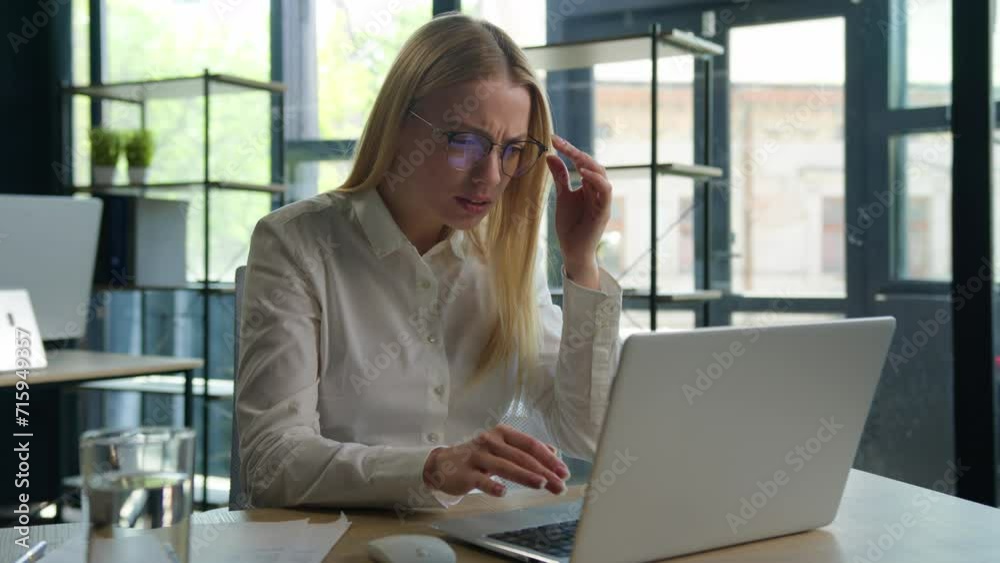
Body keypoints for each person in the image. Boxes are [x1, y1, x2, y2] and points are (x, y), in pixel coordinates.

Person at [236, 12, 623, 511]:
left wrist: (581, 263)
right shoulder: (296, 244)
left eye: (512, 150)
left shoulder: (505, 258)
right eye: (464, 140)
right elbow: (270, 463)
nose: (490, 176)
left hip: (470, 541)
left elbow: (585, 432)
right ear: (398, 125)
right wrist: (433, 466)